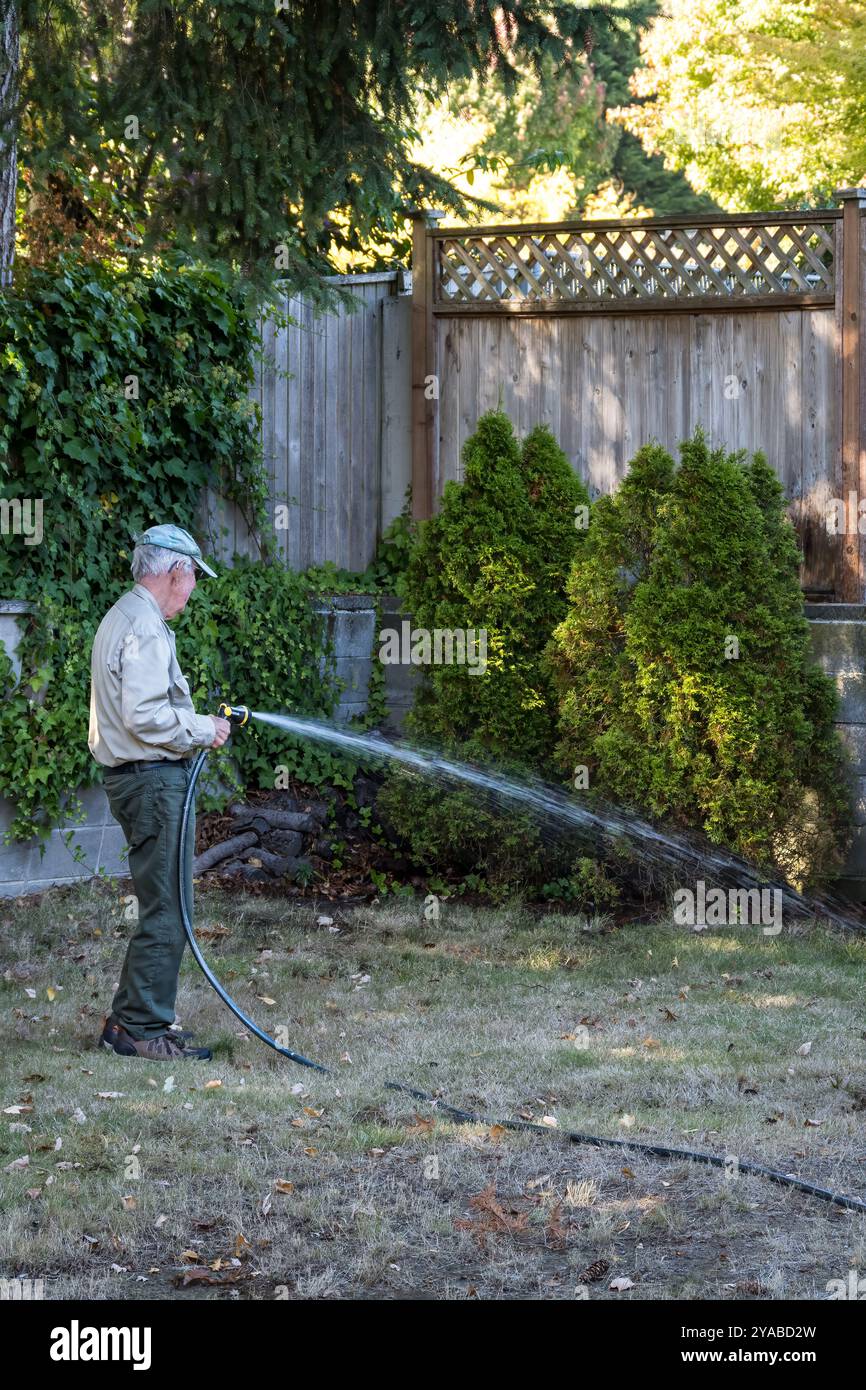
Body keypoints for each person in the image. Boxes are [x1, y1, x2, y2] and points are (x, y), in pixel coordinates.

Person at [88, 524, 231, 1060]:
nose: (192, 589)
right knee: (169, 908)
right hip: (151, 781)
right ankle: (141, 1031)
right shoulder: (145, 626)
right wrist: (202, 729)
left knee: (162, 902)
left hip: (138, 780)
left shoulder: (123, 615)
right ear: (175, 570)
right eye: (192, 576)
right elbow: (145, 716)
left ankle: (130, 1021)